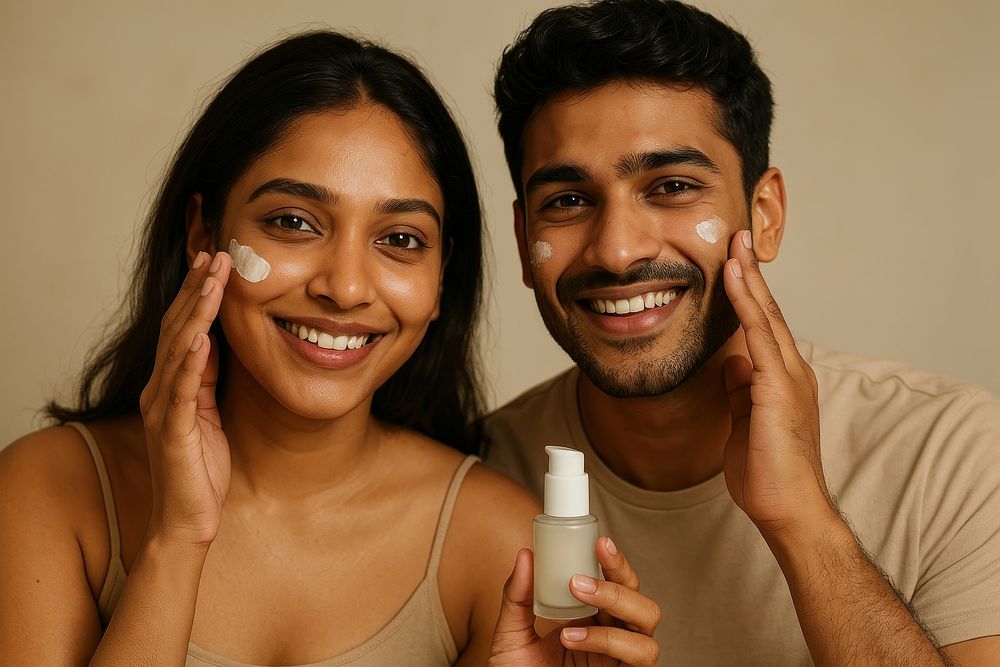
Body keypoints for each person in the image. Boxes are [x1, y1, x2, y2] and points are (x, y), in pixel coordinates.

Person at [0, 31, 660, 666]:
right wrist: (176, 540)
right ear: (204, 234)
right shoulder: (46, 489)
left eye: (400, 239)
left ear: (439, 280)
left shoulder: (502, 543)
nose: (345, 288)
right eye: (293, 222)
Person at [482, 1, 1000, 664]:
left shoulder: (948, 456)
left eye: (670, 185)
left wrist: (806, 522)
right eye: (569, 201)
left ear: (766, 214)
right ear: (526, 244)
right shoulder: (479, 471)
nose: (616, 251)